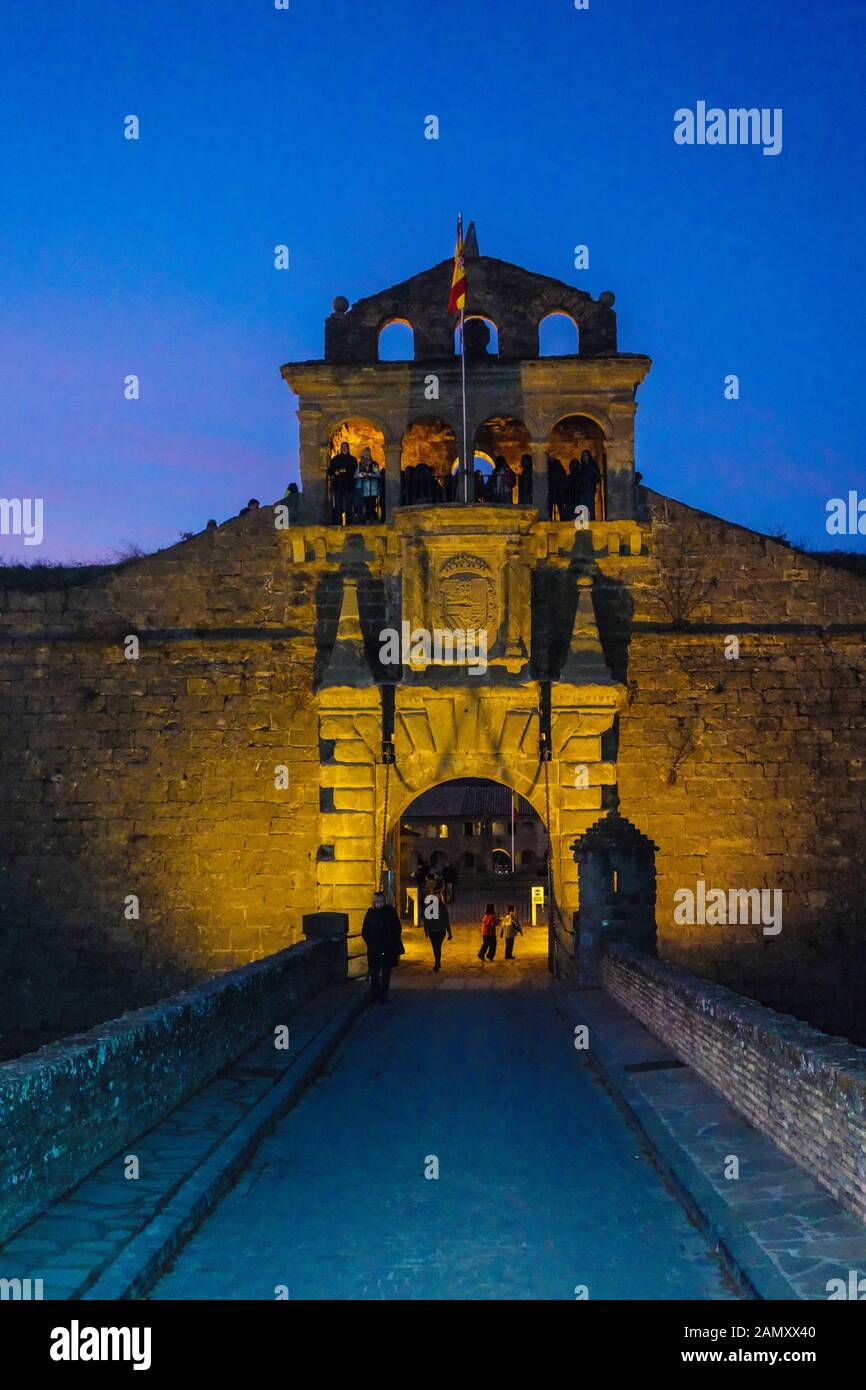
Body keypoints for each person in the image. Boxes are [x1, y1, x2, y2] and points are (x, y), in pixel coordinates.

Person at [361, 890, 403, 1003]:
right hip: (374, 948)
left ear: (384, 901)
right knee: (374, 972)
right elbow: (365, 930)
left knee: (385, 972)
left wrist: (391, 940)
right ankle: (375, 993)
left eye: (380, 901)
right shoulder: (370, 913)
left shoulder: (390, 912)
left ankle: (383, 995)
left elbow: (397, 928)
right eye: (376, 901)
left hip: (387, 947)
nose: (378, 903)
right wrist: (370, 942)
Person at [328, 441, 357, 525]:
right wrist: (335, 472)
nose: (344, 448)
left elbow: (352, 470)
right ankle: (338, 524)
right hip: (338, 485)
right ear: (341, 448)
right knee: (338, 507)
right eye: (342, 447)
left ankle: (349, 525)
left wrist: (343, 470)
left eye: (345, 447)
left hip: (348, 486)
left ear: (348, 448)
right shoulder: (336, 459)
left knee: (349, 506)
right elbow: (331, 470)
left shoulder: (353, 459)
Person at [424, 891, 452, 971]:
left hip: (440, 930)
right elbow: (426, 919)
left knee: (437, 946)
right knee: (435, 947)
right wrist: (426, 930)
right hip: (432, 930)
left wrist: (449, 932)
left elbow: (446, 919)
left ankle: (437, 963)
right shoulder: (429, 906)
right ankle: (437, 962)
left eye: (438, 897)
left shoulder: (442, 907)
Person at [577, 449, 601, 520]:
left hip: (589, 489)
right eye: (583, 456)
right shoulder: (582, 467)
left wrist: (590, 483)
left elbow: (598, 478)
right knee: (584, 507)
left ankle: (593, 522)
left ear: (589, 456)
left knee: (590, 506)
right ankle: (585, 523)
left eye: (586, 455)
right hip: (583, 490)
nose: (584, 457)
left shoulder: (593, 466)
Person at [546, 456, 568, 521]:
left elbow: (562, 477)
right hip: (552, 490)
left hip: (558, 490)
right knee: (550, 507)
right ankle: (551, 519)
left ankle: (562, 520)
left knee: (560, 506)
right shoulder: (547, 466)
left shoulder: (557, 466)